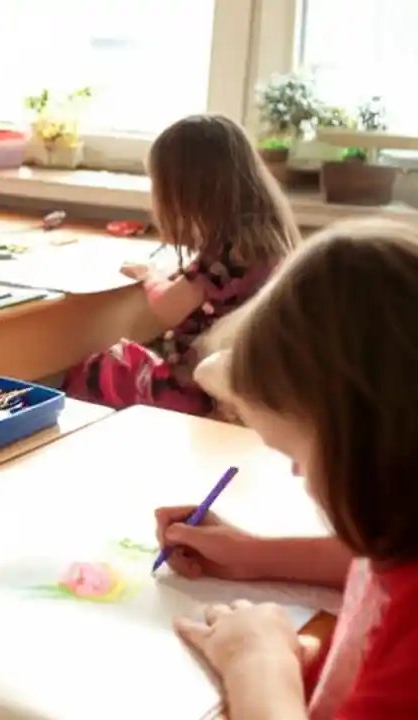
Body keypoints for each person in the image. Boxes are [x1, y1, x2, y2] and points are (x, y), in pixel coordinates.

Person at [158, 219, 418, 718]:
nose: (299, 476)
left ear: (368, 444)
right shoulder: (401, 522)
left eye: (298, 456)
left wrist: (258, 664)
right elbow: (370, 566)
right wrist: (255, 556)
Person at [64, 114, 300, 417]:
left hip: (196, 393)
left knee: (100, 370)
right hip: (248, 384)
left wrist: (150, 276)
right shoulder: (267, 244)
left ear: (186, 194)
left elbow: (167, 308)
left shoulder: (223, 257)